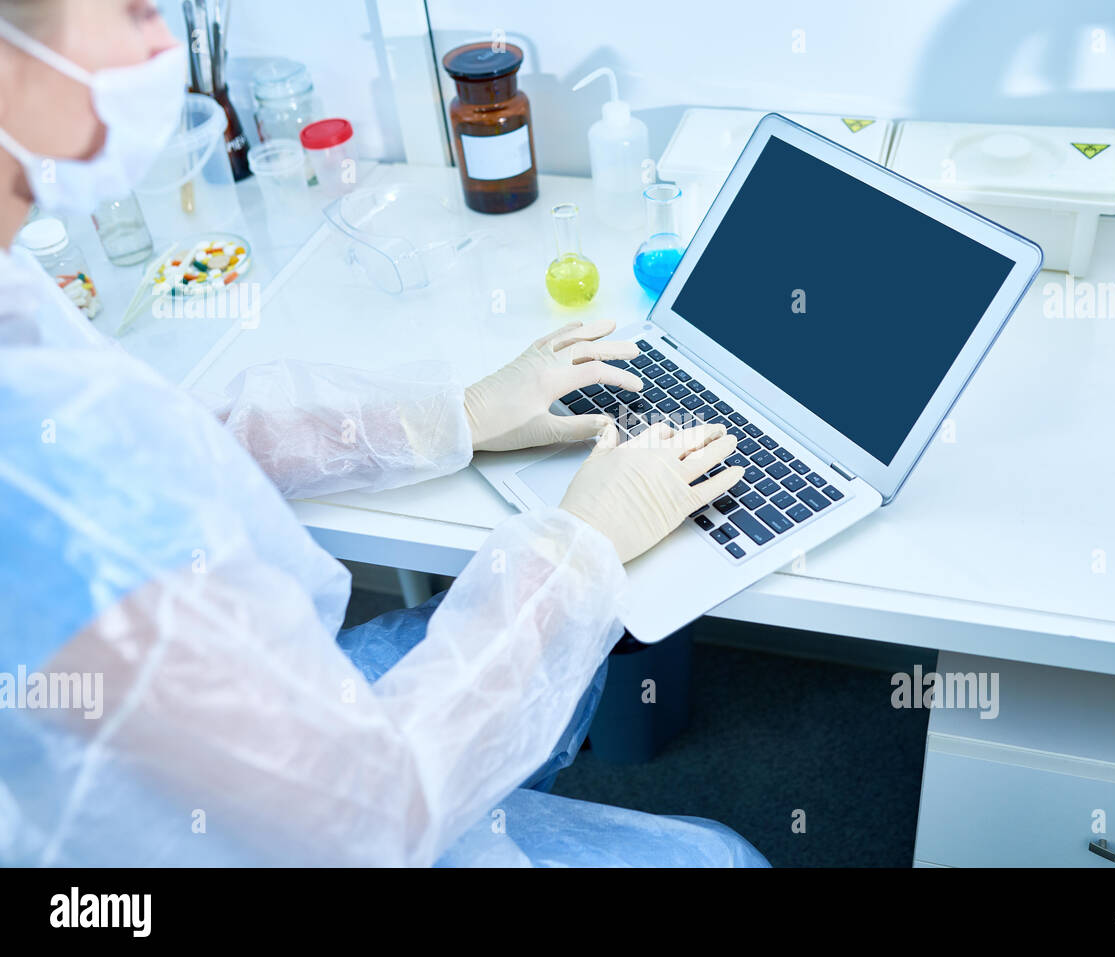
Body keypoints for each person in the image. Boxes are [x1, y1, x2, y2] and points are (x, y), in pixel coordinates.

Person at [0, 0, 765, 867]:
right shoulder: (35, 494)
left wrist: (455, 417)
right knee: (722, 859)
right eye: (132, 7)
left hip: (233, 732)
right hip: (253, 835)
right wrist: (580, 543)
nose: (159, 44)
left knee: (562, 641)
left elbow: (180, 441)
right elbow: (368, 816)